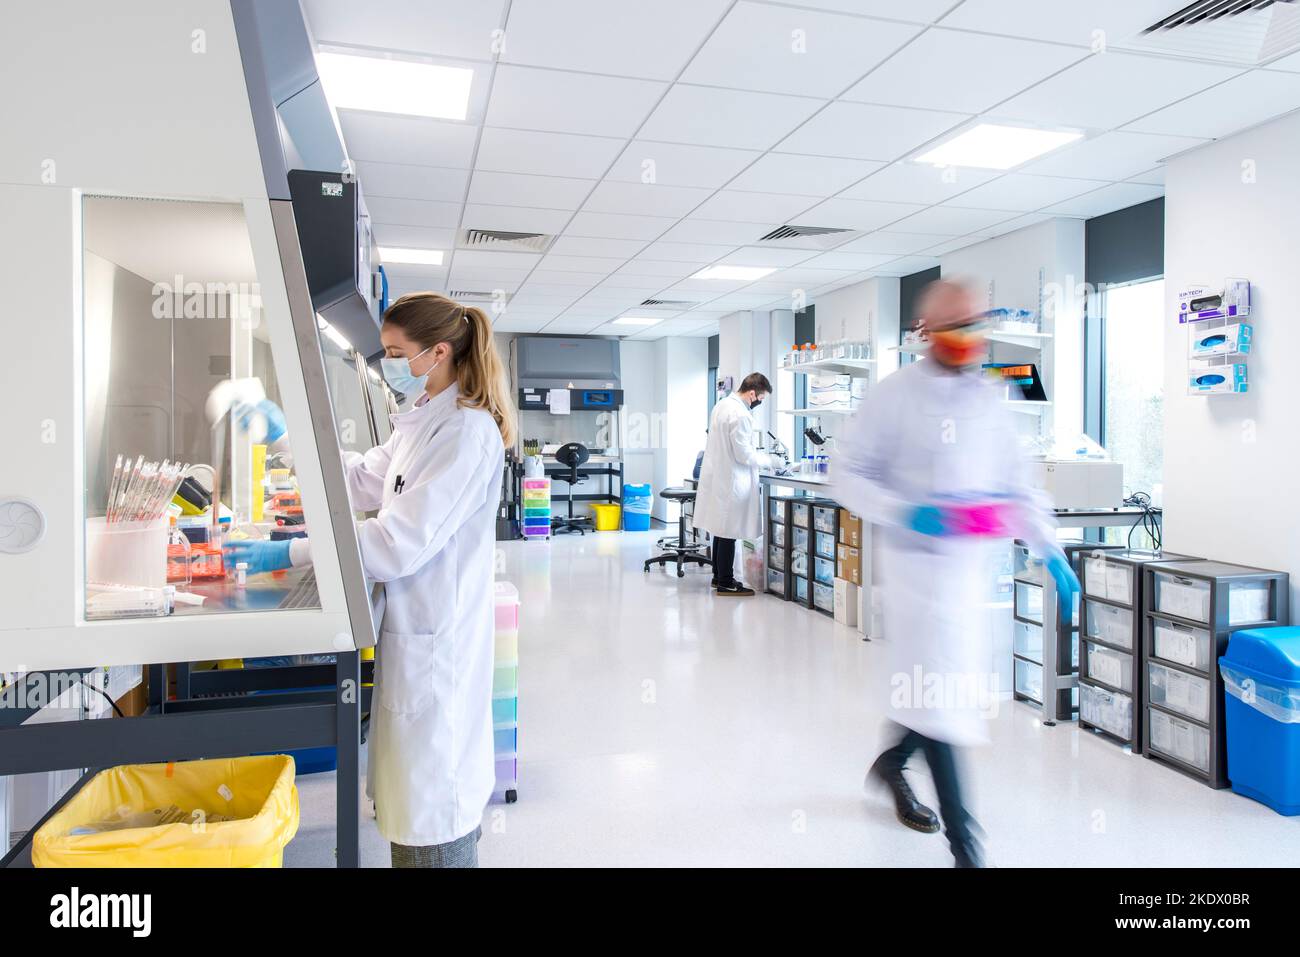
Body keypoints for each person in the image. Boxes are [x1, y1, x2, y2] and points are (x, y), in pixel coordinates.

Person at [224, 292, 515, 869]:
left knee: (434, 819)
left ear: (438, 352)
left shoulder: (466, 433)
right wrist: (283, 441)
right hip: (415, 637)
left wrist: (291, 551)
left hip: (438, 644)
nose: (388, 365)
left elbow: (394, 544)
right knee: (418, 808)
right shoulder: (425, 421)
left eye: (395, 353)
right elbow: (359, 480)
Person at [832, 280, 1079, 868]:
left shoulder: (991, 399)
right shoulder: (894, 396)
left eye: (974, 325)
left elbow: (1017, 484)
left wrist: (1050, 548)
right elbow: (847, 475)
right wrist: (907, 511)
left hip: (970, 573)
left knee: (946, 692)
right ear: (927, 335)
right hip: (917, 574)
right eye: (953, 329)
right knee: (942, 699)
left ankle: (892, 763)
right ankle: (967, 848)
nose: (967, 338)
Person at [693, 373, 783, 596]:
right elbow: (743, 454)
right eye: (761, 398)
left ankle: (718, 576)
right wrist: (772, 461)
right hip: (732, 478)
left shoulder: (722, 406)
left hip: (721, 476)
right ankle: (726, 581)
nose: (760, 402)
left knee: (721, 529)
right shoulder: (740, 414)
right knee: (728, 531)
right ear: (752, 393)